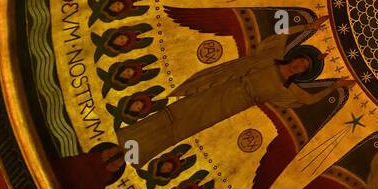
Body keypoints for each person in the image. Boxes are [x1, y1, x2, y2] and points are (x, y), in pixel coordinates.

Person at [115, 17, 349, 164]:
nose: (299, 65)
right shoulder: (271, 58)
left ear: (302, 73)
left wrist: (333, 87)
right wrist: (308, 27)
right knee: (178, 111)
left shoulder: (285, 91)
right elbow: (281, 35)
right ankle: (131, 136)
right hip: (223, 87)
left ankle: (142, 151)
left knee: (186, 126)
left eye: (304, 68)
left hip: (230, 105)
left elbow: (309, 100)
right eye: (301, 61)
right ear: (297, 57)